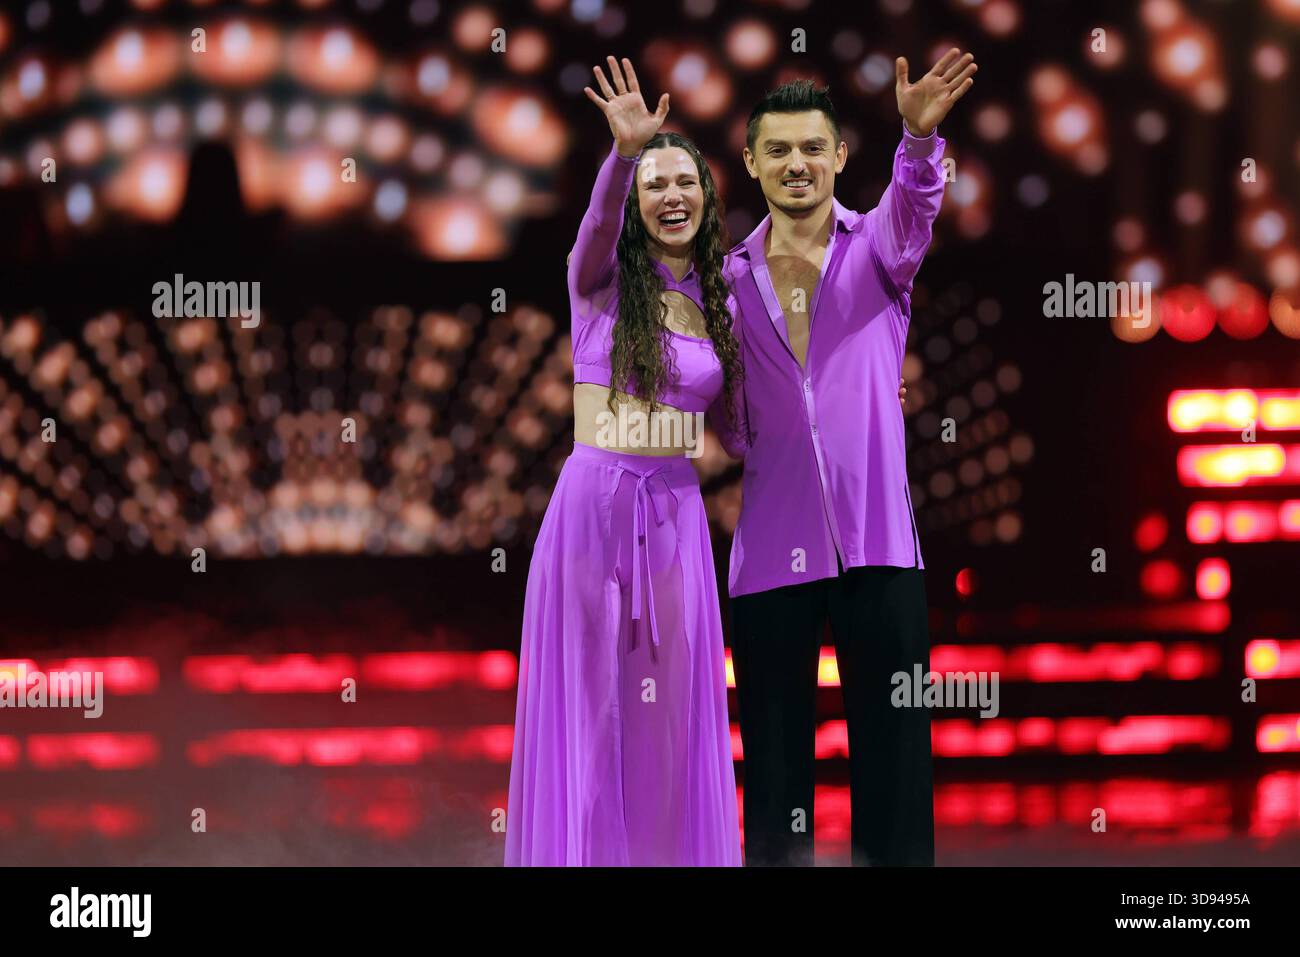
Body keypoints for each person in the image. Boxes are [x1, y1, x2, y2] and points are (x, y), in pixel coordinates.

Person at [723, 50, 977, 866]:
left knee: (896, 758)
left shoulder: (881, 250)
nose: (796, 163)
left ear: (837, 156)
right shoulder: (724, 281)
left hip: (878, 544)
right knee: (773, 767)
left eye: (812, 148)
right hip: (769, 549)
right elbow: (725, 418)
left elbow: (919, 199)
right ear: (753, 162)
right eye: (779, 150)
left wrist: (917, 137)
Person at [504, 56, 746, 866]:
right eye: (656, 184)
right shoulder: (599, 282)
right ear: (638, 205)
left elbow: (750, 428)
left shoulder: (726, 301)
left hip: (676, 514)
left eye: (687, 182)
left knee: (668, 718)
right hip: (593, 507)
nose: (672, 194)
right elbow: (597, 227)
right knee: (588, 713)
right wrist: (622, 157)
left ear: (708, 202)